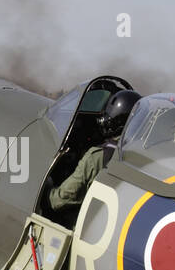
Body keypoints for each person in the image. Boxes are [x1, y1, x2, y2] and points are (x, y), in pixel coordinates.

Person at [47, 89, 140, 222]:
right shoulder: (139, 156)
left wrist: (47, 187)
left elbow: (59, 200)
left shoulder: (97, 156)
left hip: (88, 227)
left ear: (117, 121)